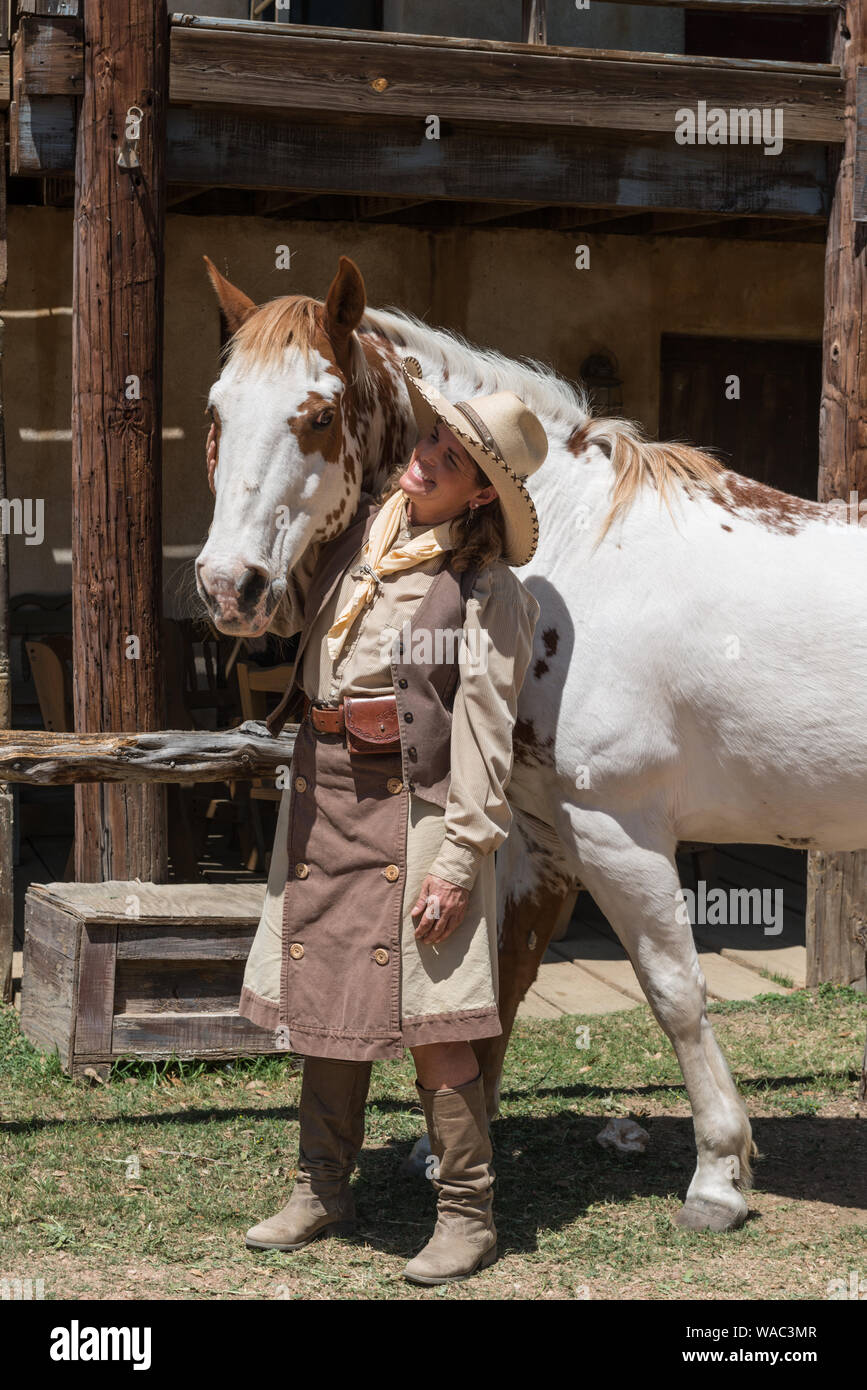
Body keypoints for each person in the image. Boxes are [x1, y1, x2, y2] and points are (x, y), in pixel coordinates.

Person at [219, 356, 546, 1285]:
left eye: (455, 455)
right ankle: (323, 1188)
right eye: (434, 436)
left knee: (435, 1017)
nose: (429, 455)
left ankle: (466, 1215)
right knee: (324, 993)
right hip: (322, 792)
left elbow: (486, 740)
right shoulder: (359, 536)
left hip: (418, 811)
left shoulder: (486, 593)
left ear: (483, 492)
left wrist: (455, 861)